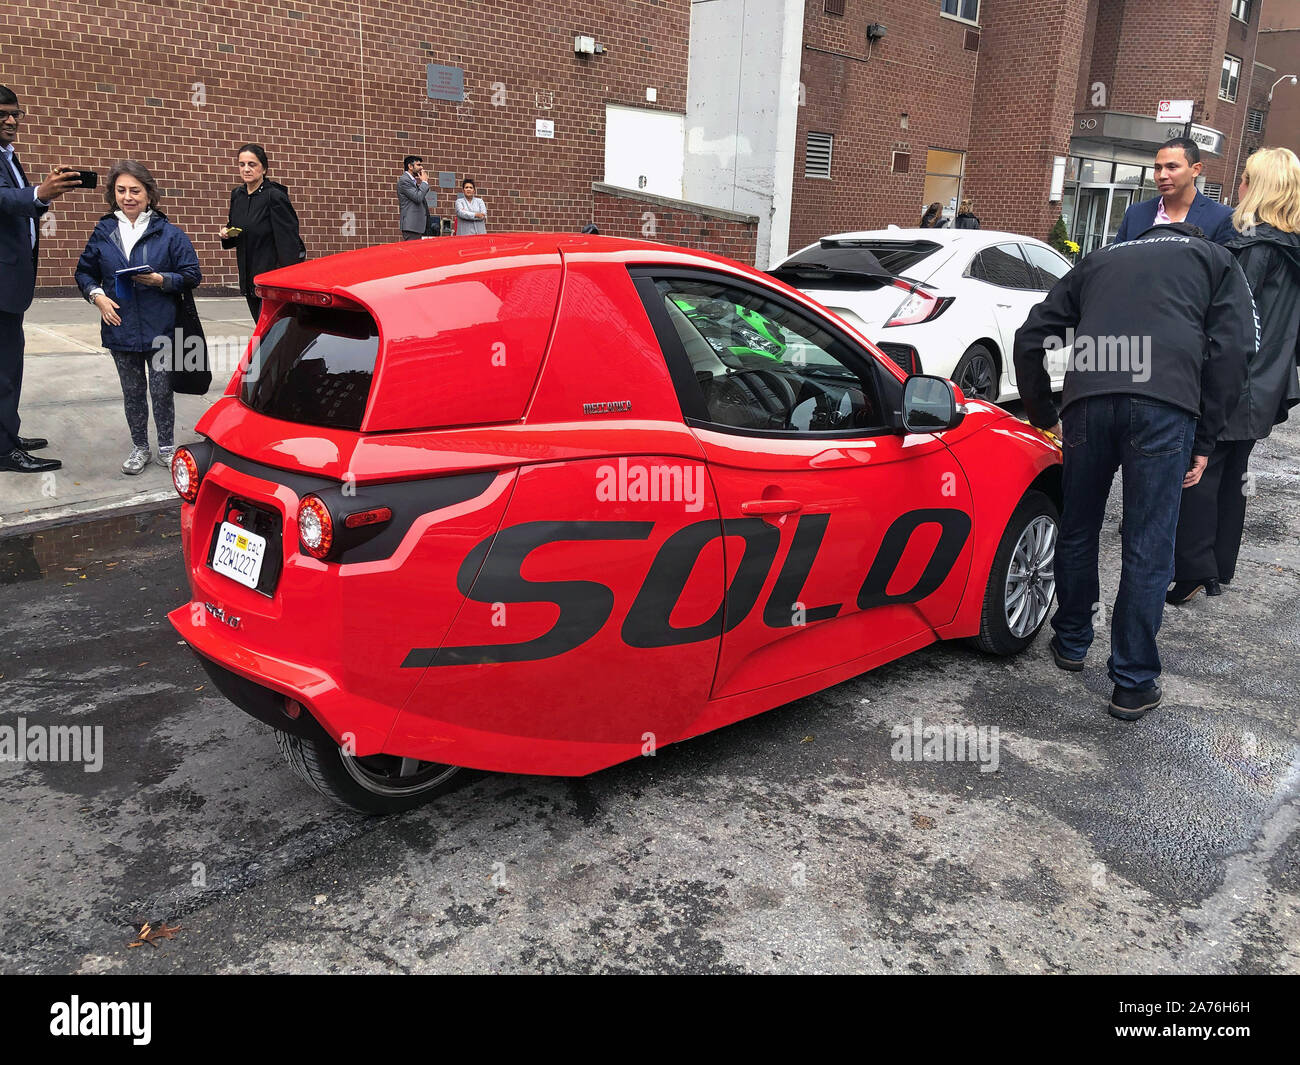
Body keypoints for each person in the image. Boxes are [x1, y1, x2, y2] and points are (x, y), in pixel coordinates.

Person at [1012, 221, 1254, 721]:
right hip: (1165, 403)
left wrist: (1041, 412)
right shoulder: (1213, 259)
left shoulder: (1103, 258)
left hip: (1089, 400)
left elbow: (1032, 335)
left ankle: (1073, 640)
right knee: (1148, 542)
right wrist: (1206, 436)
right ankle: (1132, 681)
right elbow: (1232, 350)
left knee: (1079, 526)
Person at [1169, 147, 1300, 603]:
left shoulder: (1254, 248)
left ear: (1259, 187)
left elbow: (1228, 322)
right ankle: (1217, 568)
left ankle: (1192, 571)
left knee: (1200, 473)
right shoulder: (1289, 248)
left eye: (1245, 177)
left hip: (1236, 378)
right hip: (1268, 382)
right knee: (1232, 476)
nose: (1239, 185)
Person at [75, 160, 201, 475]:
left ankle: (167, 447)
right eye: (121, 190)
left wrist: (162, 280)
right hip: (120, 326)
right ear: (113, 193)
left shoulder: (169, 233)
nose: (128, 197)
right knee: (132, 391)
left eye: (136, 190)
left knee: (161, 390)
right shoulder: (104, 231)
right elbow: (84, 272)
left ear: (148, 194)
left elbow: (191, 274)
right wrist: (98, 297)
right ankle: (140, 448)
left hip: (161, 327)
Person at [0, 85, 82, 474]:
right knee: (3, 369)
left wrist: (38, 193)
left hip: (10, 281)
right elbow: (4, 199)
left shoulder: (8, 156)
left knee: (9, 365)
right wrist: (39, 193)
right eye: (3, 113)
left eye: (16, 113)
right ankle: (3, 452)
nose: (12, 120)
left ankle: (6, 435)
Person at [220, 144, 305, 322]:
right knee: (261, 328)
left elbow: (289, 241)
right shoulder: (238, 195)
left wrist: (286, 282)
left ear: (264, 168)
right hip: (247, 275)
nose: (246, 169)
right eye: (242, 164)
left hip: (270, 278)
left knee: (273, 332)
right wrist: (227, 233)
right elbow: (236, 227)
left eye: (252, 164)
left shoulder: (274, 196)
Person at [1113, 137, 1235, 245]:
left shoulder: (1221, 217)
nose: (1162, 175)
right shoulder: (1136, 213)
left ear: (1196, 170)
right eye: (1157, 168)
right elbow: (1117, 260)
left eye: (1172, 167)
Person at [397, 155, 428, 241]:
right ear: (410, 166)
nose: (421, 167)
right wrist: (424, 182)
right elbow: (418, 197)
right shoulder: (404, 180)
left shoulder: (411, 180)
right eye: (418, 165)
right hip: (411, 227)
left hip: (415, 226)